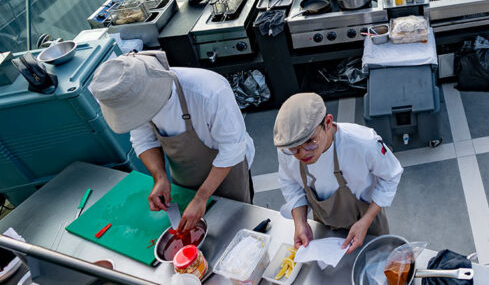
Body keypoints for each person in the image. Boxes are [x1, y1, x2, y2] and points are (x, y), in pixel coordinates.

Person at [90, 51, 255, 231]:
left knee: (238, 226)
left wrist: (201, 197)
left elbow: (232, 148)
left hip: (228, 172)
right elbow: (143, 139)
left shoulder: (209, 91)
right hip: (185, 175)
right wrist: (160, 177)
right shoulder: (132, 97)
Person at [274, 93, 403, 253]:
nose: (302, 153)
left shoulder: (363, 143)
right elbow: (290, 183)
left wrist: (366, 220)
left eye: (310, 141)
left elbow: (391, 176)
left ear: (328, 122)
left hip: (368, 222)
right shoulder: (287, 148)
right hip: (324, 224)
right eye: (294, 149)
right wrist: (300, 222)